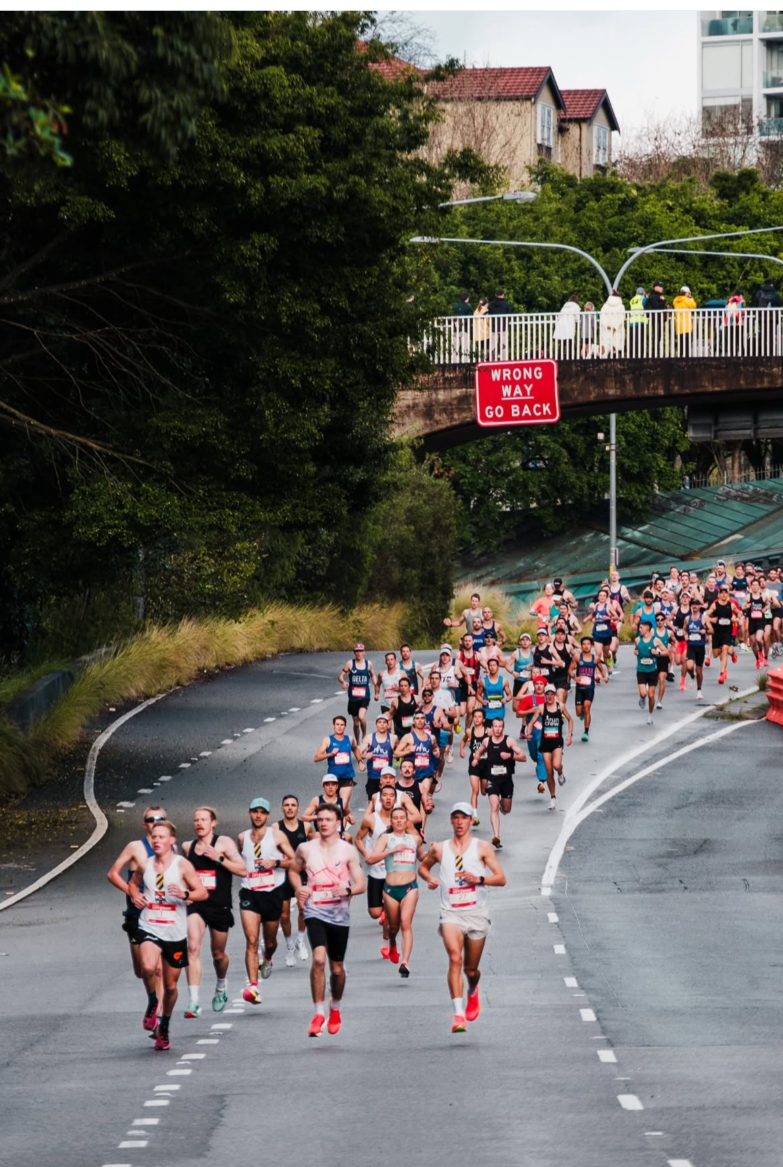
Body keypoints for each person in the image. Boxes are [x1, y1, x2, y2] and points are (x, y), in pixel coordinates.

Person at [418, 803, 506, 1034]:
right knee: (455, 959)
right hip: (451, 913)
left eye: (463, 818)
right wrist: (429, 878)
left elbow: (501, 878)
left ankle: (473, 990)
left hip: (476, 913)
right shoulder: (440, 849)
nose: (459, 822)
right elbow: (423, 868)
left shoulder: (482, 848)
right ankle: (458, 1014)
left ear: (471, 821)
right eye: (455, 818)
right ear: (451, 821)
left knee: (470, 969)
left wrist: (479, 879)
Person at [125, 819, 208, 1050]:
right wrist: (135, 895)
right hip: (150, 926)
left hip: (174, 931)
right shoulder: (145, 864)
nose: (156, 840)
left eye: (161, 837)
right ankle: (153, 1002)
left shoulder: (182, 865)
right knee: (148, 968)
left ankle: (165, 1026)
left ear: (172, 841)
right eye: (154, 836)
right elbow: (133, 884)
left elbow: (202, 893)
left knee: (171, 987)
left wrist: (184, 893)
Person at [288, 803, 366, 1038]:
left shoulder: (347, 850)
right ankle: (318, 1013)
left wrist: (349, 889)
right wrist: (299, 888)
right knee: (319, 960)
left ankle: (335, 1007)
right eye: (319, 819)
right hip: (314, 911)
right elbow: (293, 871)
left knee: (337, 968)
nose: (323, 823)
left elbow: (361, 883)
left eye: (328, 819)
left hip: (339, 914)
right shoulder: (305, 848)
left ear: (338, 822)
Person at [107, 804, 171, 1028]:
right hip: (137, 914)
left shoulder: (172, 850)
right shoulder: (136, 847)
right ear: (145, 824)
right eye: (151, 819)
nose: (155, 821)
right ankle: (153, 1000)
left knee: (159, 968)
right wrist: (131, 892)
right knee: (143, 970)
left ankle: (161, 1018)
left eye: (160, 818)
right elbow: (112, 874)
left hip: (162, 916)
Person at [181, 807, 245, 1016]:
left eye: (203, 820)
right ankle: (193, 1001)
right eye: (196, 820)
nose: (199, 823)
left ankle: (220, 984)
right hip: (196, 905)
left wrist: (219, 859)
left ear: (213, 823)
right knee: (192, 946)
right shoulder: (187, 847)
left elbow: (243, 870)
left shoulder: (224, 843)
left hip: (219, 905)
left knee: (218, 954)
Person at [237, 797, 296, 1003]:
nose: (258, 815)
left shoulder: (277, 836)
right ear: (250, 813)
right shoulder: (242, 838)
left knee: (269, 942)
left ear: (268, 815)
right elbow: (237, 862)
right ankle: (253, 987)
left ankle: (268, 958)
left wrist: (276, 862)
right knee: (252, 940)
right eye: (255, 811)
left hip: (272, 892)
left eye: (262, 812)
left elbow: (296, 861)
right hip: (249, 892)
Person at [365, 805, 424, 978]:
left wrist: (433, 851)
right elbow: (370, 859)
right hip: (390, 889)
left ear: (407, 821)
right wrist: (391, 850)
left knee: (406, 923)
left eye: (402, 818)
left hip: (410, 888)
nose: (399, 821)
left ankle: (405, 962)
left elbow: (422, 857)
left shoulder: (415, 839)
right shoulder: (386, 839)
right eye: (395, 818)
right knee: (393, 927)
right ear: (391, 821)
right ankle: (391, 943)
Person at [354, 783, 398, 958]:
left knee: (389, 909)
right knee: (374, 913)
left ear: (395, 799)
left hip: (394, 873)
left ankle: (387, 943)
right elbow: (358, 838)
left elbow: (412, 837)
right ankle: (385, 913)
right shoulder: (371, 819)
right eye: (385, 795)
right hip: (375, 871)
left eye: (391, 795)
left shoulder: (400, 819)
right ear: (380, 799)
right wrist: (366, 853)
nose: (388, 798)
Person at [471, 717, 527, 848]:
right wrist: (475, 759)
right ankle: (496, 836)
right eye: (495, 726)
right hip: (492, 779)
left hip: (506, 779)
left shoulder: (509, 741)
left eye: (500, 726)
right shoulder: (487, 741)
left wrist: (510, 756)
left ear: (503, 727)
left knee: (506, 809)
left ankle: (503, 804)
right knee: (494, 807)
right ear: (492, 728)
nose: (497, 729)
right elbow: (478, 752)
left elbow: (523, 757)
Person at [275, 795, 310, 965]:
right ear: (282, 808)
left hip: (301, 873)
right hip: (282, 873)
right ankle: (289, 946)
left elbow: (314, 846)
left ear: (298, 808)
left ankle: (300, 940)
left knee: (304, 908)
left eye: (293, 805)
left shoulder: (306, 827)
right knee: (284, 914)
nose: (290, 808)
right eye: (286, 805)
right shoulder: (276, 828)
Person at [313, 715, 364, 814]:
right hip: (332, 779)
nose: (339, 727)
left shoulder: (349, 739)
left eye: (342, 725)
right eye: (337, 724)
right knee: (333, 807)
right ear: (333, 726)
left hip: (347, 777)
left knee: (342, 806)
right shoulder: (328, 740)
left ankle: (341, 828)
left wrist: (360, 761)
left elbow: (355, 749)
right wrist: (330, 754)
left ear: (345, 726)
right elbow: (316, 757)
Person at [538, 685, 573, 809]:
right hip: (546, 743)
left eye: (552, 694)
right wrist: (529, 731)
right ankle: (553, 797)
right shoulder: (541, 708)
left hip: (557, 742)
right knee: (548, 771)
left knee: (556, 765)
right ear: (545, 695)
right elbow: (532, 722)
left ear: (555, 695)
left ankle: (560, 773)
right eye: (547, 694)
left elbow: (570, 719)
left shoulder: (560, 707)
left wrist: (569, 735)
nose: (549, 696)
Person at [568, 636, 607, 741]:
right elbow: (570, 670)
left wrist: (605, 676)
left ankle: (586, 732)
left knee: (587, 707)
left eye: (588, 644)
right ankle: (582, 714)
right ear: (581, 646)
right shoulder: (577, 657)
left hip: (590, 688)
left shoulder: (595, 659)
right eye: (584, 644)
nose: (586, 646)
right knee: (578, 712)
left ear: (591, 646)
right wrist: (574, 677)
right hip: (580, 688)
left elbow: (602, 669)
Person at [338, 643, 377, 745]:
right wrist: (343, 682)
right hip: (353, 697)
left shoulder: (368, 664)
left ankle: (364, 735)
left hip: (364, 696)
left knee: (361, 717)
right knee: (356, 723)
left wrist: (376, 685)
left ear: (364, 652)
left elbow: (373, 675)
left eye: (360, 651)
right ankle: (358, 742)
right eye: (356, 651)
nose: (358, 653)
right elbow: (341, 676)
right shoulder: (350, 664)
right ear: (354, 652)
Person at [460, 706, 488, 824]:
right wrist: (462, 749)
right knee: (475, 790)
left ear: (483, 719)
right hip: (474, 764)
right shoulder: (469, 731)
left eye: (479, 717)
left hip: (486, 763)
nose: (476, 719)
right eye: (475, 717)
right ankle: (475, 815)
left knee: (484, 791)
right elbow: (463, 740)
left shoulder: (489, 731)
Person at [359, 713, 397, 799]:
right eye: (379, 722)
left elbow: (399, 751)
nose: (382, 724)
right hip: (373, 776)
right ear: (376, 724)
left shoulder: (393, 738)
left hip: (387, 778)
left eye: (384, 722)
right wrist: (364, 756)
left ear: (388, 725)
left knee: (388, 802)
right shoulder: (369, 738)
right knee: (372, 802)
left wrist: (397, 755)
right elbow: (359, 753)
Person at [683, 599, 712, 701]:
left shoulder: (704, 618)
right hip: (691, 645)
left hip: (700, 647)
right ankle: (692, 676)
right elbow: (684, 629)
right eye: (693, 604)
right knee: (689, 666)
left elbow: (712, 630)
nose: (694, 606)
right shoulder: (687, 618)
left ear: (700, 606)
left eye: (696, 604)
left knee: (699, 671)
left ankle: (699, 690)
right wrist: (685, 635)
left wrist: (705, 631)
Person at [635, 619, 660, 726]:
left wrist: (657, 652)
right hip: (641, 670)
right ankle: (641, 697)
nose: (639, 629)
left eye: (641, 628)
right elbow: (636, 649)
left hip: (652, 670)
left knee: (651, 695)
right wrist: (635, 651)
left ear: (647, 629)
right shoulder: (637, 640)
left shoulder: (655, 641)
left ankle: (650, 714)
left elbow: (665, 652)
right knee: (644, 693)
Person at [477, 656, 513, 727]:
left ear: (498, 667)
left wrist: (506, 699)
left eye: (494, 665)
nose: (492, 667)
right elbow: (478, 694)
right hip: (487, 712)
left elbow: (510, 695)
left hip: (499, 711)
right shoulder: (483, 681)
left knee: (497, 732)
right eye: (490, 665)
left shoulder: (504, 681)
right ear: (488, 667)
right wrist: (482, 701)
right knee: (487, 733)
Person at [488, 289, 514, 359]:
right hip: (503, 326)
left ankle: (492, 358)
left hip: (494, 327)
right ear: (503, 295)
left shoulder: (491, 304)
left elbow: (489, 314)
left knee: (493, 344)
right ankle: (504, 359)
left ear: (496, 295)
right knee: (503, 344)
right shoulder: (506, 304)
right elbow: (509, 315)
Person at [672, 286, 697, 357]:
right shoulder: (687, 300)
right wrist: (691, 299)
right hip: (687, 325)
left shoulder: (675, 299)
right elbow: (694, 306)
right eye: (689, 293)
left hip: (679, 325)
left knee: (680, 343)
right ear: (686, 293)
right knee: (687, 344)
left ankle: (680, 358)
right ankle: (686, 359)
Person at [599, 289, 625, 357]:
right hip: (616, 329)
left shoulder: (605, 306)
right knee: (615, 347)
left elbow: (602, 316)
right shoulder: (621, 306)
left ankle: (604, 362)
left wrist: (606, 325)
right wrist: (615, 326)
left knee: (605, 346)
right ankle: (615, 363)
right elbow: (621, 318)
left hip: (606, 329)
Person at [628, 287, 646, 355]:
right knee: (640, 340)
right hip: (640, 321)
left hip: (632, 321)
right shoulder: (643, 299)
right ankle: (640, 356)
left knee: (633, 340)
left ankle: (632, 356)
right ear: (643, 293)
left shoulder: (632, 299)